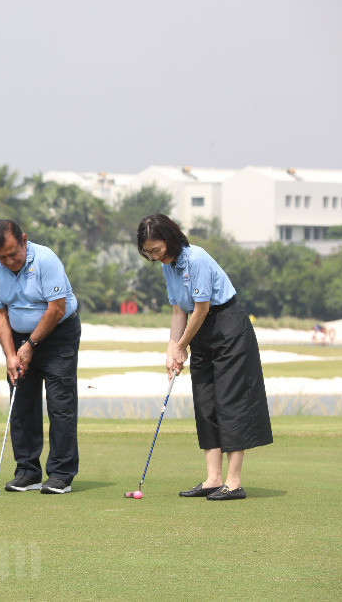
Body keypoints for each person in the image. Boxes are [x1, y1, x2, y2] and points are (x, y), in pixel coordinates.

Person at [137, 213, 273, 500]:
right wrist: (171, 348)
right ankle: (213, 478)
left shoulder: (195, 258)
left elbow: (200, 309)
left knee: (230, 401)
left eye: (157, 249)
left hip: (228, 325)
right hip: (199, 330)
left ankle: (233, 483)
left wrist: (182, 345)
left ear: (170, 238)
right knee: (205, 401)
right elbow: (178, 311)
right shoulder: (168, 267)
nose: (154, 256)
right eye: (148, 252)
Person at [0, 219, 81, 494]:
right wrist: (10, 354)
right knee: (21, 401)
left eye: (13, 253)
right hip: (17, 336)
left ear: (24, 240)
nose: (9, 261)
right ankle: (27, 471)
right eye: (1, 256)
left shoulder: (46, 260)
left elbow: (56, 309)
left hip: (59, 332)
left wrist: (29, 347)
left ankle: (61, 474)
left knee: (60, 403)